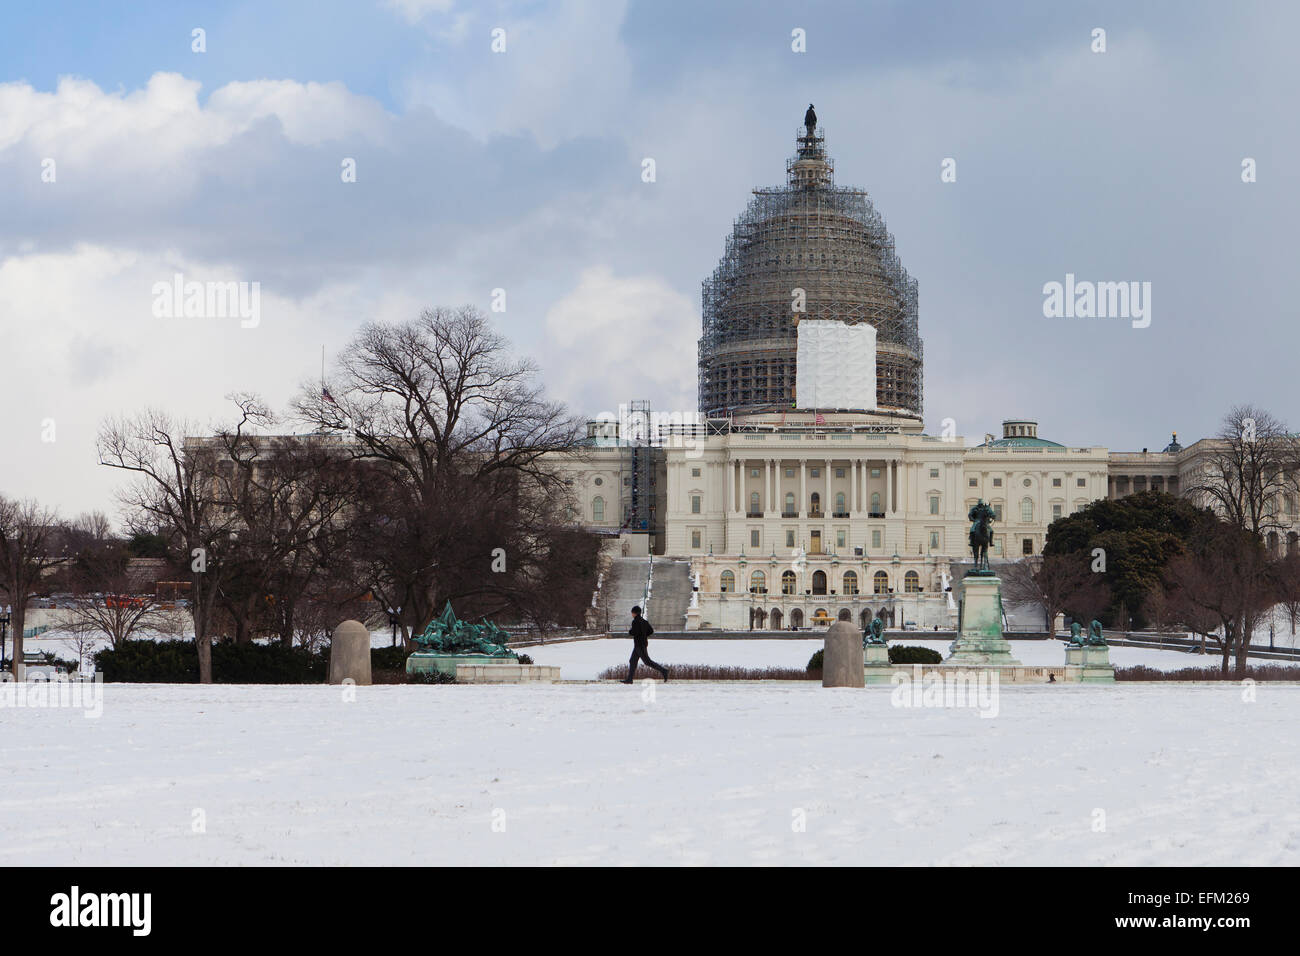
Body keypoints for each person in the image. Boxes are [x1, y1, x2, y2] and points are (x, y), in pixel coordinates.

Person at [622, 605, 669, 683]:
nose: (632, 614)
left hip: (640, 645)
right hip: (640, 644)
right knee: (632, 661)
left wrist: (630, 632)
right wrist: (644, 634)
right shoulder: (644, 621)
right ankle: (629, 679)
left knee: (647, 661)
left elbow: (635, 632)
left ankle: (664, 671)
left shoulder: (635, 621)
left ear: (635, 613)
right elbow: (651, 631)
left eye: (632, 612)